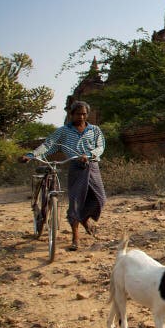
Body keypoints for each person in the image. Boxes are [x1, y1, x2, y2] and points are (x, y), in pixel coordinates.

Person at [21, 101, 106, 251]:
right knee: (75, 202)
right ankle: (75, 238)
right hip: (75, 168)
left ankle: (84, 220)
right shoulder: (63, 131)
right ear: (71, 114)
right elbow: (48, 145)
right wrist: (31, 155)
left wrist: (90, 154)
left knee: (99, 199)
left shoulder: (95, 130)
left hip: (92, 166)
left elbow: (101, 146)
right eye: (78, 113)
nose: (81, 116)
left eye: (84, 114)